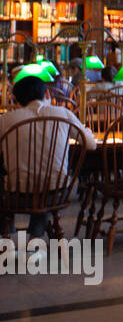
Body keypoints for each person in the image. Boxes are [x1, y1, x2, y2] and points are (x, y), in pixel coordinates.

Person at [0, 75, 97, 238]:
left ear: (16, 100)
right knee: (46, 180)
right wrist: (86, 132)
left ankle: (6, 231)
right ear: (46, 93)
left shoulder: (5, 120)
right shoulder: (63, 114)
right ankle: (35, 237)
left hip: (17, 194)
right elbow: (91, 145)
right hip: (55, 193)